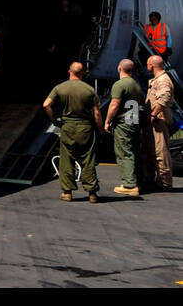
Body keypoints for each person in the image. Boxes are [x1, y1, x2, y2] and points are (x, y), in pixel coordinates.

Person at [43, 61, 102, 202]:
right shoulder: (89, 90)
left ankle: (67, 192)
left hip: (67, 126)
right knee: (88, 159)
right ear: (81, 73)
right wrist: (100, 130)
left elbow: (46, 105)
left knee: (66, 159)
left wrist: (54, 121)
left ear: (69, 71)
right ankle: (92, 193)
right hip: (85, 127)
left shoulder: (59, 88)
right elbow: (97, 114)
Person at [103, 58, 143, 196]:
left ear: (120, 68)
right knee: (134, 151)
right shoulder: (136, 85)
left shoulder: (119, 84)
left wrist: (107, 121)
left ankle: (129, 185)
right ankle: (136, 180)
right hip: (134, 121)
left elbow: (114, 104)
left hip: (124, 123)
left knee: (124, 152)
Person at [146, 54, 175, 189]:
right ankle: (157, 179)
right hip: (157, 118)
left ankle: (165, 182)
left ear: (151, 65)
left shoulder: (163, 80)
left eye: (148, 64)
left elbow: (164, 98)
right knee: (155, 150)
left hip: (159, 119)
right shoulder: (158, 79)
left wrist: (153, 114)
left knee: (160, 151)